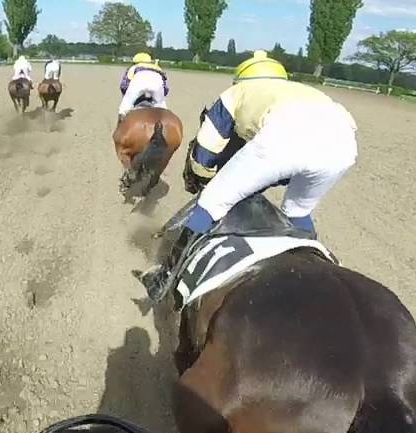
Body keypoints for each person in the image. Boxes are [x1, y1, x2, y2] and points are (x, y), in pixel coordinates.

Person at [138, 51, 359, 303]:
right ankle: (326, 268)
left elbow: (205, 151)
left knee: (212, 201)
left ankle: (164, 276)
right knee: (298, 210)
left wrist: (205, 177)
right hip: (343, 145)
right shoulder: (302, 90)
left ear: (241, 79)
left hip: (284, 136)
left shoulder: (237, 93)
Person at [117, 52, 169, 121]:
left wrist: (126, 95)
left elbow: (124, 85)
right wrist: (160, 97)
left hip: (138, 83)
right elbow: (165, 88)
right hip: (157, 84)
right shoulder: (158, 68)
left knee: (124, 107)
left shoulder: (133, 68)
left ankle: (120, 127)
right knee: (161, 107)